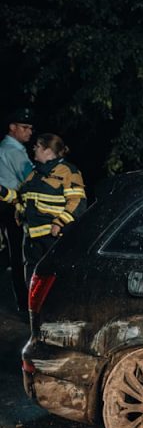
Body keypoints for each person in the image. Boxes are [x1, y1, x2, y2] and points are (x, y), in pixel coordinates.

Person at [0, 133, 87, 287]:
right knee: (33, 283)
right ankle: (33, 310)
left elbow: (77, 201)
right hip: (32, 238)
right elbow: (20, 198)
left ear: (47, 150)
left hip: (53, 238)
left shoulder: (68, 171)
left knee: (55, 282)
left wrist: (60, 223)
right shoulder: (34, 174)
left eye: (38, 146)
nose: (34, 148)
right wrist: (2, 192)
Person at [0, 108, 34, 310]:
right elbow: (31, 180)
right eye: (25, 127)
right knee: (20, 256)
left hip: (7, 204)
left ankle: (22, 300)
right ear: (12, 127)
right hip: (12, 207)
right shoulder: (12, 150)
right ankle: (24, 302)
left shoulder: (8, 147)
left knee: (13, 255)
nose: (29, 132)